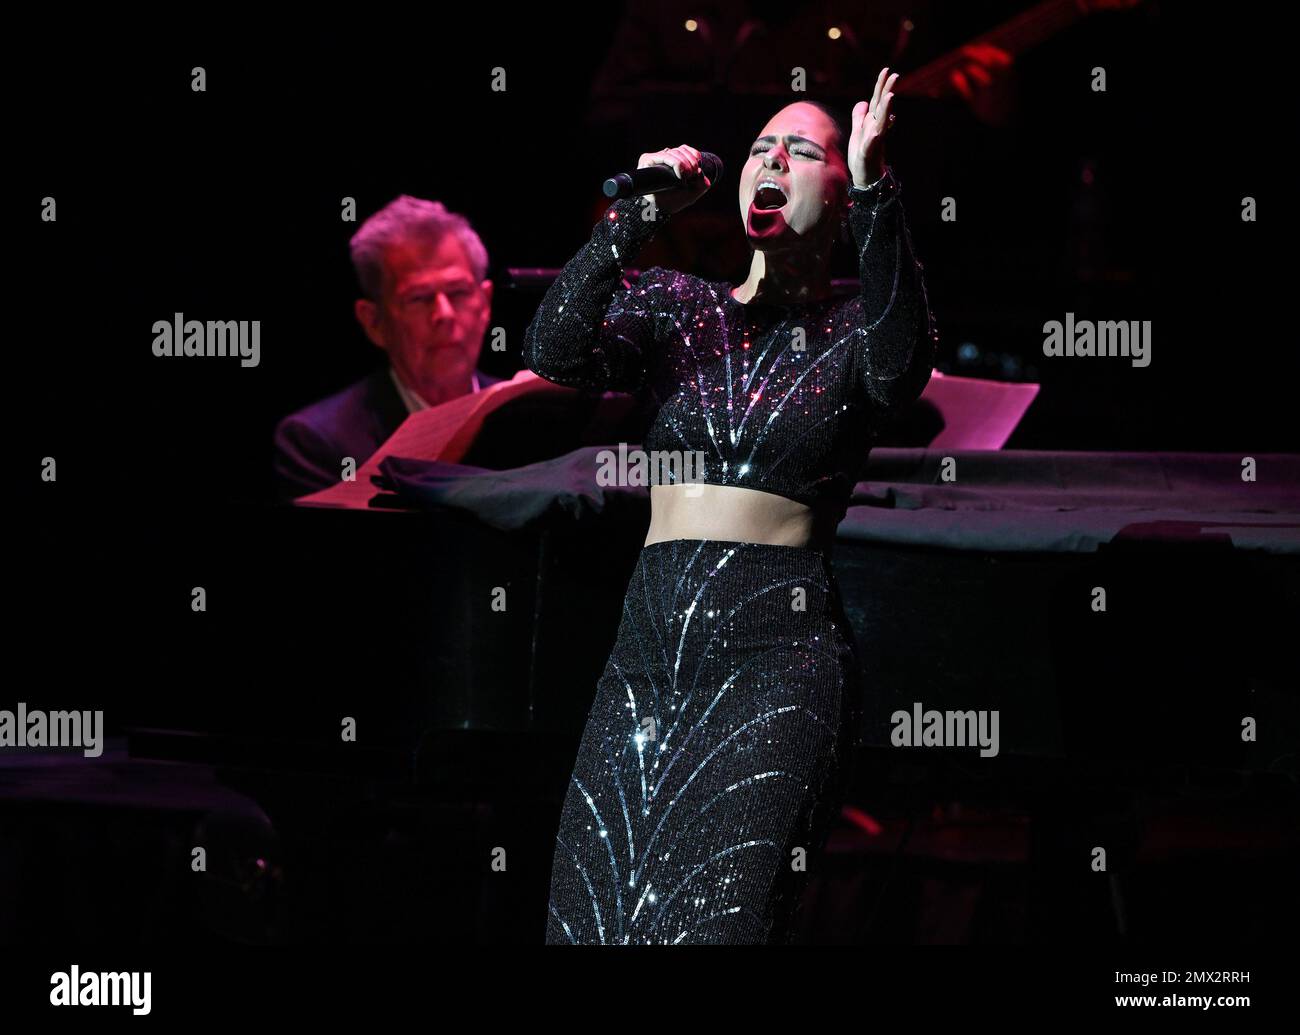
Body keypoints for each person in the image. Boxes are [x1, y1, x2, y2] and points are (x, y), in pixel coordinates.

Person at [525, 68, 936, 944]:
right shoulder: (681, 308)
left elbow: (904, 373)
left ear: (836, 182)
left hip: (774, 664)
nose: (772, 160)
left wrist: (876, 185)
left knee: (722, 922)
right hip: (646, 662)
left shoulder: (860, 328)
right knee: (589, 923)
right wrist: (640, 211)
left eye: (802, 150)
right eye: (758, 148)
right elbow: (555, 350)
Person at [273, 196, 503, 499]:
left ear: (485, 303)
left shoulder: (533, 416)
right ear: (373, 323)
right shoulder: (317, 443)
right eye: (419, 298)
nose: (444, 315)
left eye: (458, 292)